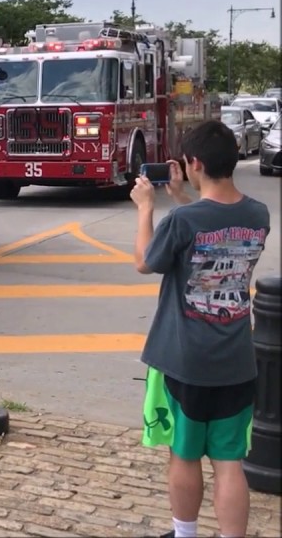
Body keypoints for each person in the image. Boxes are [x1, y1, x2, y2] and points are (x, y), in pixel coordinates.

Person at [131, 120, 271, 538]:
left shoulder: (183, 221)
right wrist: (184, 197)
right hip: (236, 360)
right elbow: (218, 220)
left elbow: (145, 261)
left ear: (193, 162)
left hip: (185, 359)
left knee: (185, 454)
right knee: (229, 462)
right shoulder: (258, 214)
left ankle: (185, 534)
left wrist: (146, 208)